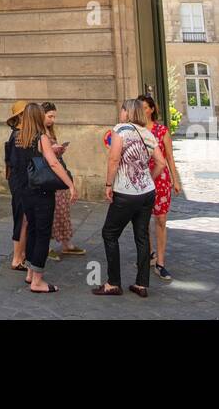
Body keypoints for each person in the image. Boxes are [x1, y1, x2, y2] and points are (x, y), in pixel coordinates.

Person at [94, 99, 157, 298]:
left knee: (109, 234)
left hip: (126, 192)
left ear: (127, 112)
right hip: (147, 192)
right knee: (142, 236)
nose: (120, 112)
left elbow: (114, 159)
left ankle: (113, 283)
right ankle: (141, 284)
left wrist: (108, 184)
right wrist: (147, 179)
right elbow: (161, 163)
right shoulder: (147, 133)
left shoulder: (120, 130)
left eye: (122, 109)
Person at [14, 102, 76, 294]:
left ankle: (30, 273)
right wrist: (70, 184)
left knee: (32, 230)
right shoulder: (40, 138)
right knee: (42, 235)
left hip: (25, 191)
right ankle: (37, 281)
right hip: (41, 192)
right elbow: (54, 164)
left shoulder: (18, 138)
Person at [138, 94, 181, 282]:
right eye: (140, 107)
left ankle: (161, 262)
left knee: (161, 220)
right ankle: (148, 254)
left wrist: (175, 179)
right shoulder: (136, 131)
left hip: (160, 180)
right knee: (142, 220)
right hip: (141, 180)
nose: (143, 111)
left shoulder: (162, 131)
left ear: (152, 109)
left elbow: (170, 157)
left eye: (145, 107)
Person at [41, 102, 85, 260]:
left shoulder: (49, 131)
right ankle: (45, 246)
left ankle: (67, 243)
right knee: (50, 212)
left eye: (54, 116)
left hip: (57, 175)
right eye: (50, 116)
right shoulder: (38, 133)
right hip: (47, 176)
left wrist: (58, 150)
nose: (52, 119)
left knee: (62, 209)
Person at [4, 100, 29, 271]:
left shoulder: (20, 134)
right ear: (21, 116)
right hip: (20, 182)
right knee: (21, 218)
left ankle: (22, 254)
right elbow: (18, 163)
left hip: (20, 180)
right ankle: (16, 258)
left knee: (24, 218)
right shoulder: (19, 136)